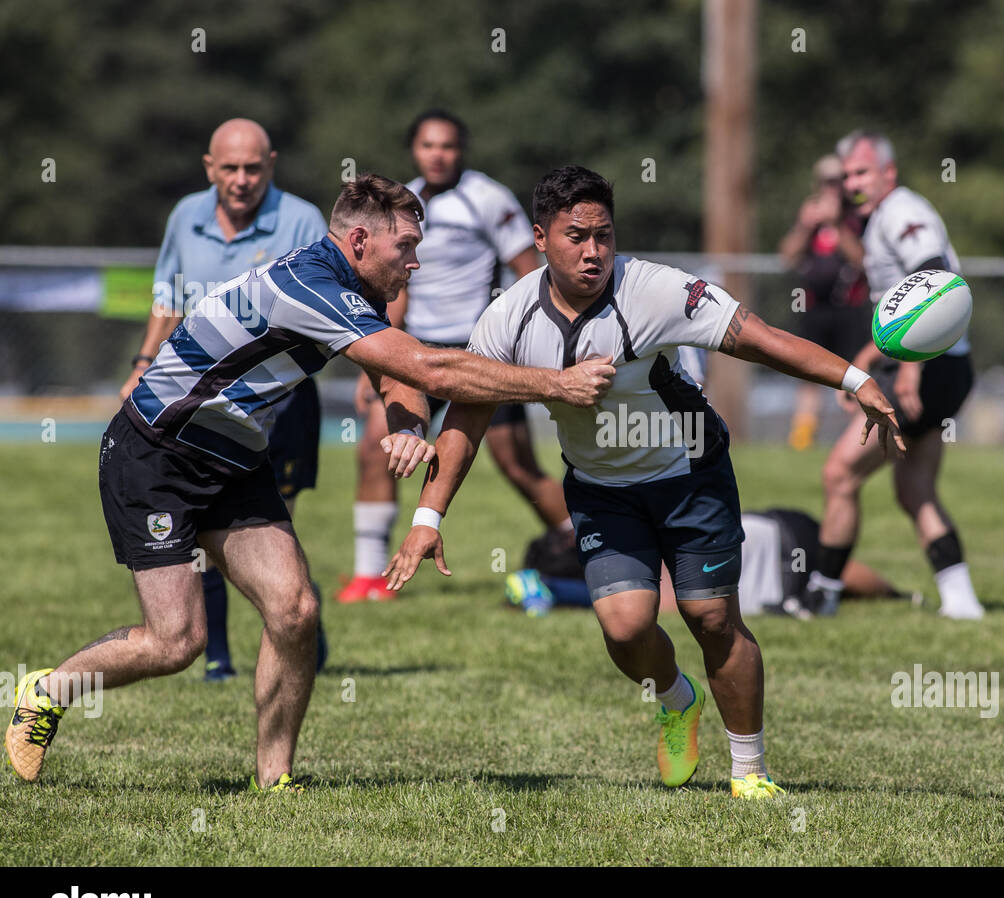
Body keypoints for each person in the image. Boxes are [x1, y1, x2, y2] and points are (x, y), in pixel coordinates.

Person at [5, 174, 615, 789]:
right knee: (175, 641)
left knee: (295, 610)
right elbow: (430, 365)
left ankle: (275, 780)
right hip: (157, 455)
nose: (415, 259)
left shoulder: (353, 284)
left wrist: (405, 423)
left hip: (233, 458)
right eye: (405, 245)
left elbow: (396, 370)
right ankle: (49, 690)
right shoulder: (309, 286)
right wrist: (555, 384)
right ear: (358, 240)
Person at [383, 165, 905, 799]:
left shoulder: (656, 291)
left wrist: (855, 380)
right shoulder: (507, 319)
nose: (594, 250)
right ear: (540, 237)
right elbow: (465, 413)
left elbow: (760, 339)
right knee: (626, 627)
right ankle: (677, 699)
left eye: (604, 234)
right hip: (601, 488)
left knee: (711, 617)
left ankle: (749, 770)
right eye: (576, 236)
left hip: (690, 472)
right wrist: (426, 520)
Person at [118, 118, 329, 681]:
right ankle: (218, 655)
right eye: (229, 168)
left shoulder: (302, 219)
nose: (241, 179)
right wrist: (142, 364)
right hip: (196, 404)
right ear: (209, 167)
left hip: (278, 401)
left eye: (253, 167)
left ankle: (297, 619)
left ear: (272, 164)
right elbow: (168, 295)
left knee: (272, 519)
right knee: (205, 526)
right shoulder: (185, 215)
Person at [339, 109, 569, 603]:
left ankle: (583, 542)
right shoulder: (403, 204)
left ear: (460, 150)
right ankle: (369, 577)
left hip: (477, 349)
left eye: (446, 145)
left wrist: (519, 345)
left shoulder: (487, 198)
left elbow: (531, 273)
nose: (437, 154)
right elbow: (394, 281)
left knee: (517, 465)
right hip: (417, 352)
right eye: (427, 145)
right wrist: (379, 358)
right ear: (415, 151)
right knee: (377, 444)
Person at [806, 130, 984, 620]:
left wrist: (905, 372)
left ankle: (820, 595)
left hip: (928, 368)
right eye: (847, 176)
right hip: (947, 367)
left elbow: (934, 287)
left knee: (839, 474)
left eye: (862, 172)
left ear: (889, 172)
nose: (853, 182)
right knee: (915, 490)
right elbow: (891, 288)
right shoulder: (879, 216)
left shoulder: (903, 211)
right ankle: (962, 600)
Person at [506, 508, 919, 618]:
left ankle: (901, 596)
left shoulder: (619, 549)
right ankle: (902, 596)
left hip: (774, 539)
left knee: (837, 576)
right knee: (835, 576)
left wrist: (561, 593)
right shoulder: (616, 544)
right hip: (768, 536)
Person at [777, 155, 867, 450]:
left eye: (836, 181)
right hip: (814, 307)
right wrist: (805, 226)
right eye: (826, 181)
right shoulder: (810, 218)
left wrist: (836, 225)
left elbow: (862, 260)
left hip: (849, 308)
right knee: (808, 372)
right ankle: (802, 437)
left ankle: (854, 436)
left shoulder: (856, 217)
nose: (831, 187)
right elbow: (787, 256)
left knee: (854, 373)